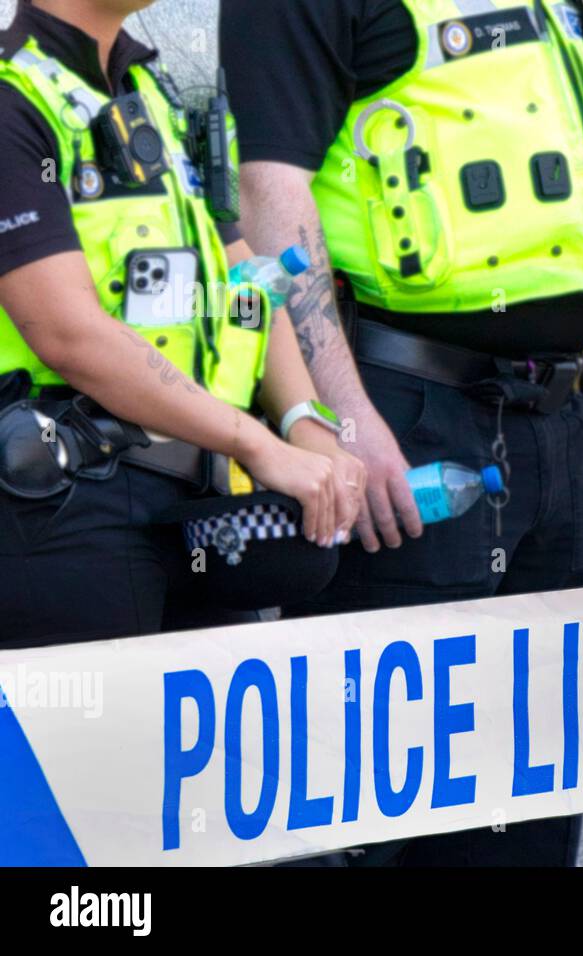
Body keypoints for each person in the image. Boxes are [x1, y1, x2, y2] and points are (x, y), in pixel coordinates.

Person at [221, 0, 583, 865]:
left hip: (557, 424)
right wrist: (343, 417)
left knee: (540, 784)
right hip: (408, 412)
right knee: (382, 810)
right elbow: (267, 193)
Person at [0, 0, 366, 647]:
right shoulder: (13, 100)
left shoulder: (151, 95)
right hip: (66, 508)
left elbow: (247, 277)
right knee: (92, 745)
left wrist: (303, 421)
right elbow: (68, 335)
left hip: (195, 501)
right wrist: (257, 445)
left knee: (211, 747)